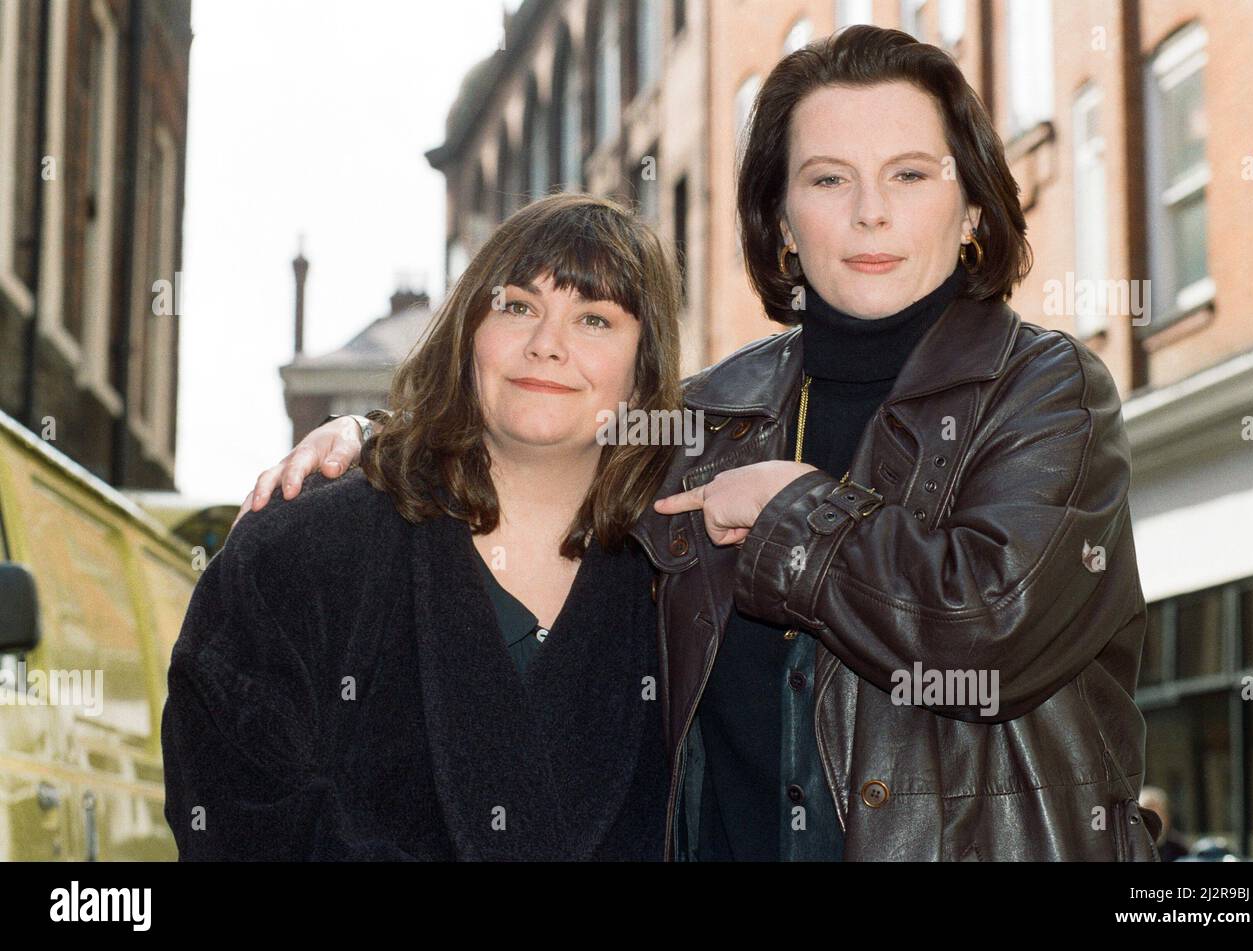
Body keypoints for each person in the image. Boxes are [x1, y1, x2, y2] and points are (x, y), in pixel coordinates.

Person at [241, 25, 1159, 861]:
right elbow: (543, 443)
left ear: (970, 210)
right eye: (828, 178)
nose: (870, 212)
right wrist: (376, 438)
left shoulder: (1050, 392)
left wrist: (790, 509)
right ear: (784, 224)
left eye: (912, 175)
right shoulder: (710, 416)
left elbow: (984, 633)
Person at [162, 193, 681, 860]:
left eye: (595, 319)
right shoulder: (303, 556)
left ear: (642, 376)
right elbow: (229, 810)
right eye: (517, 306)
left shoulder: (686, 582)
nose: (547, 345)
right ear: (468, 333)